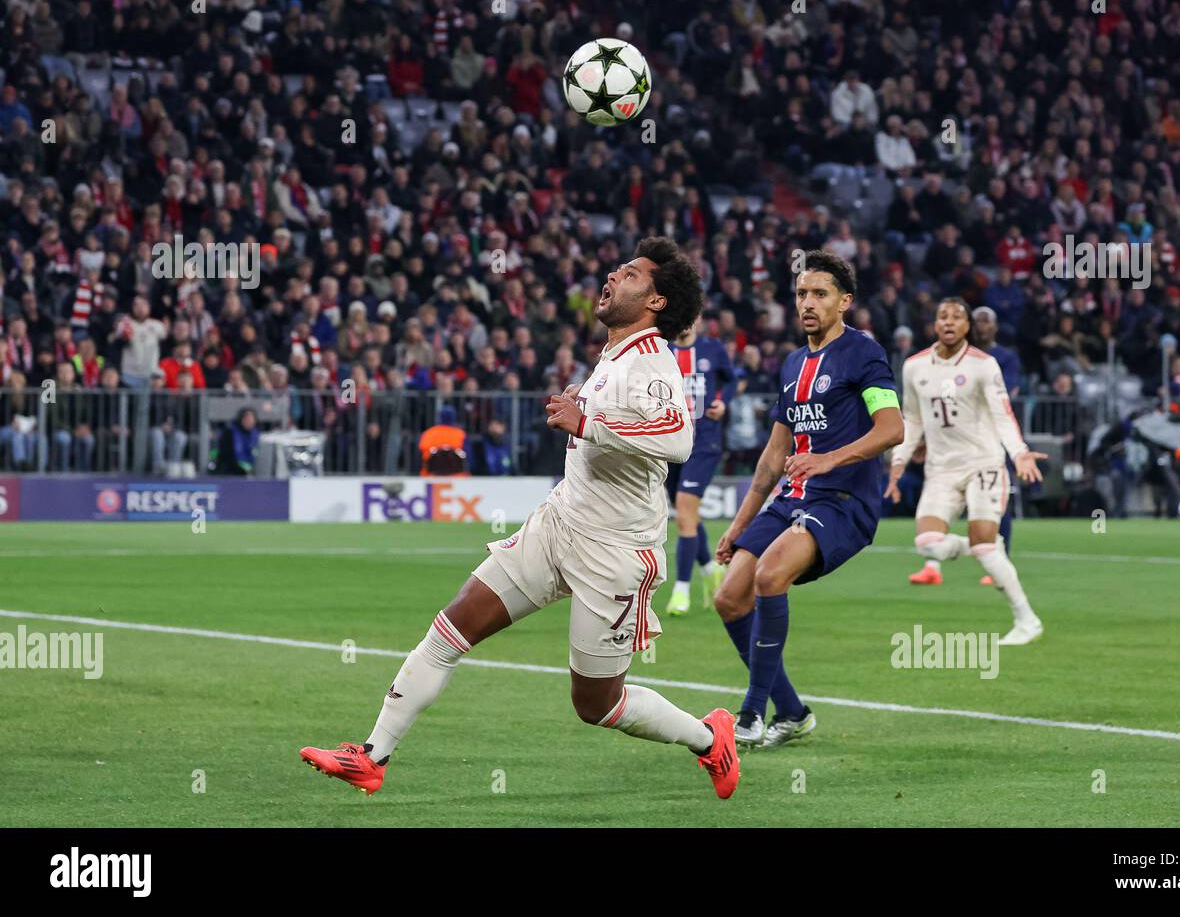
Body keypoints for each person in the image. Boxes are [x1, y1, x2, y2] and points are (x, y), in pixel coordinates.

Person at [300, 238, 741, 800]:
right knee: (448, 631)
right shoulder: (613, 355)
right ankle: (371, 757)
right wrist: (588, 414)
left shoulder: (654, 362)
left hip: (615, 553)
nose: (612, 275)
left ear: (655, 301)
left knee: (596, 705)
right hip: (558, 525)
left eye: (630, 274)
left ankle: (708, 738)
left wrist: (588, 424)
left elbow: (678, 439)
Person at [711, 250, 904, 747]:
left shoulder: (863, 353)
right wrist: (737, 525)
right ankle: (793, 713)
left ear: (845, 302)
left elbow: (892, 429)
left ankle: (751, 715)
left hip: (842, 500)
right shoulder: (793, 364)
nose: (808, 303)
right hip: (792, 499)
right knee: (729, 597)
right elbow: (774, 457)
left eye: (820, 294)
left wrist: (828, 459)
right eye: (801, 294)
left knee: (771, 575)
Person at [885, 298, 1047, 645]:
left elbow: (1003, 413)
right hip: (940, 470)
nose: (949, 322)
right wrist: (898, 461)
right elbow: (911, 419)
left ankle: (1026, 619)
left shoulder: (983, 365)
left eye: (957, 317)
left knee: (985, 546)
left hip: (983, 465)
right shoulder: (915, 367)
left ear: (967, 327)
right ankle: (983, 544)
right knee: (928, 544)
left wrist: (1018, 454)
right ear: (934, 324)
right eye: (942, 316)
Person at [908, 305, 1020, 586]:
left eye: (986, 322)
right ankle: (932, 565)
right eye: (978, 320)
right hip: (949, 444)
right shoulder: (940, 357)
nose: (982, 326)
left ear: (993, 326)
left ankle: (995, 560)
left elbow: (1009, 392)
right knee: (938, 501)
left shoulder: (1000, 358)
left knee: (992, 506)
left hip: (987, 440)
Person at [663, 315, 737, 616]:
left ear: (698, 319)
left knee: (684, 509)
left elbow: (731, 379)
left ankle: (681, 591)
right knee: (687, 515)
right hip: (669, 445)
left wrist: (722, 401)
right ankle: (710, 570)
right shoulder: (662, 351)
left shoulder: (713, 349)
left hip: (704, 443)